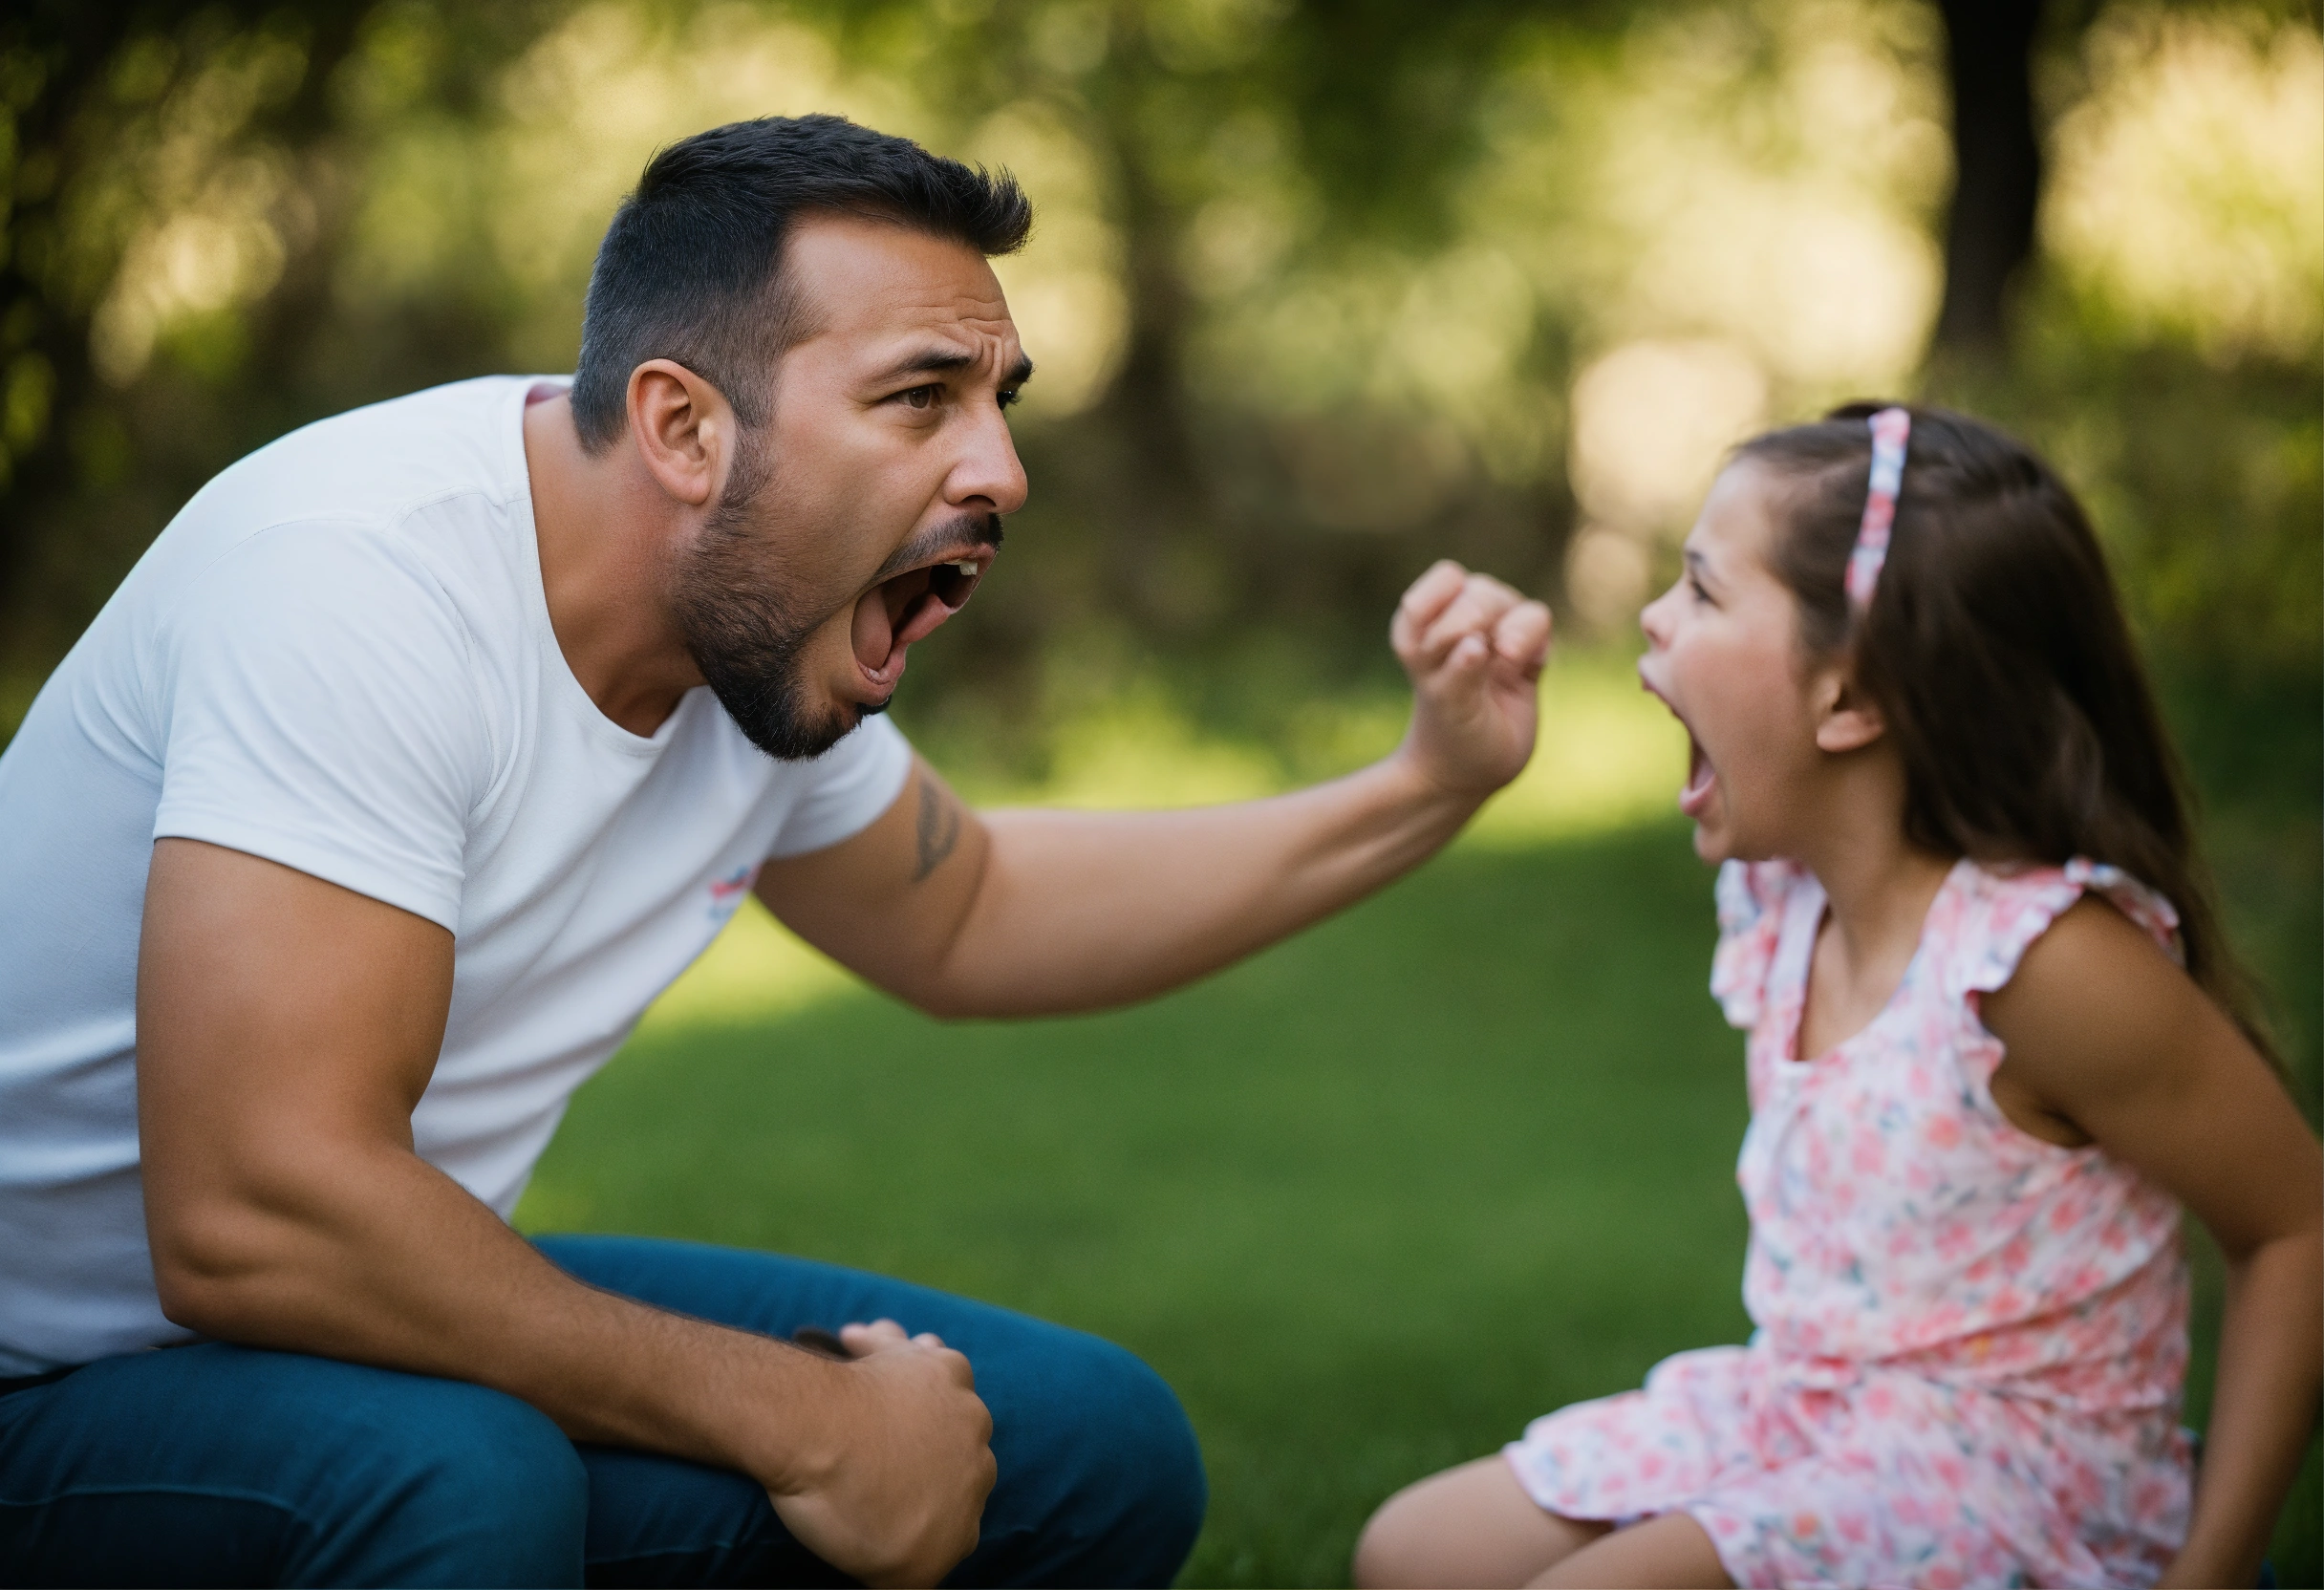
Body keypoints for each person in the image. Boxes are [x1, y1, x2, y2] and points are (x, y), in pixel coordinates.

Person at [0, 115, 1554, 1588]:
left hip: (337, 1336)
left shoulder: (753, 643)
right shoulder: (357, 586)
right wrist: (805, 1417)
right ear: (683, 423)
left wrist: (1424, 782)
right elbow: (258, 1211)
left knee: (1085, 1443)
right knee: (455, 1473)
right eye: (919, 394)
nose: (1001, 471)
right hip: (49, 1374)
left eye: (997, 400)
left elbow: (977, 912)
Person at [1351, 404, 2322, 1590]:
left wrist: (2208, 1573)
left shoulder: (2040, 963)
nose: (1652, 615)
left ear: (1850, 694)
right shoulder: (1786, 897)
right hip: (1809, 1403)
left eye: (1702, 592)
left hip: (2013, 1474)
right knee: (1412, 1553)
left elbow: (2294, 1225)